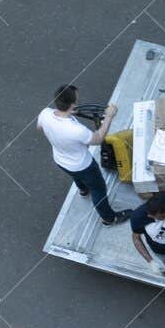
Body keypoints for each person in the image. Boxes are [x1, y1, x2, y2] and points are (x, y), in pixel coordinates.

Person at [38, 84, 133, 226]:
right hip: (83, 165)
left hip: (60, 160)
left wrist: (68, 115)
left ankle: (83, 190)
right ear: (72, 104)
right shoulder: (77, 130)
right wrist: (108, 117)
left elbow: (40, 127)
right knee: (99, 190)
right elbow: (98, 138)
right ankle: (109, 218)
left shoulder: (45, 114)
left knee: (76, 176)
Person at [131, 192, 165, 281]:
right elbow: (136, 238)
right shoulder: (137, 218)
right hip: (162, 250)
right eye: (150, 215)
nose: (149, 217)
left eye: (159, 217)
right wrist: (150, 262)